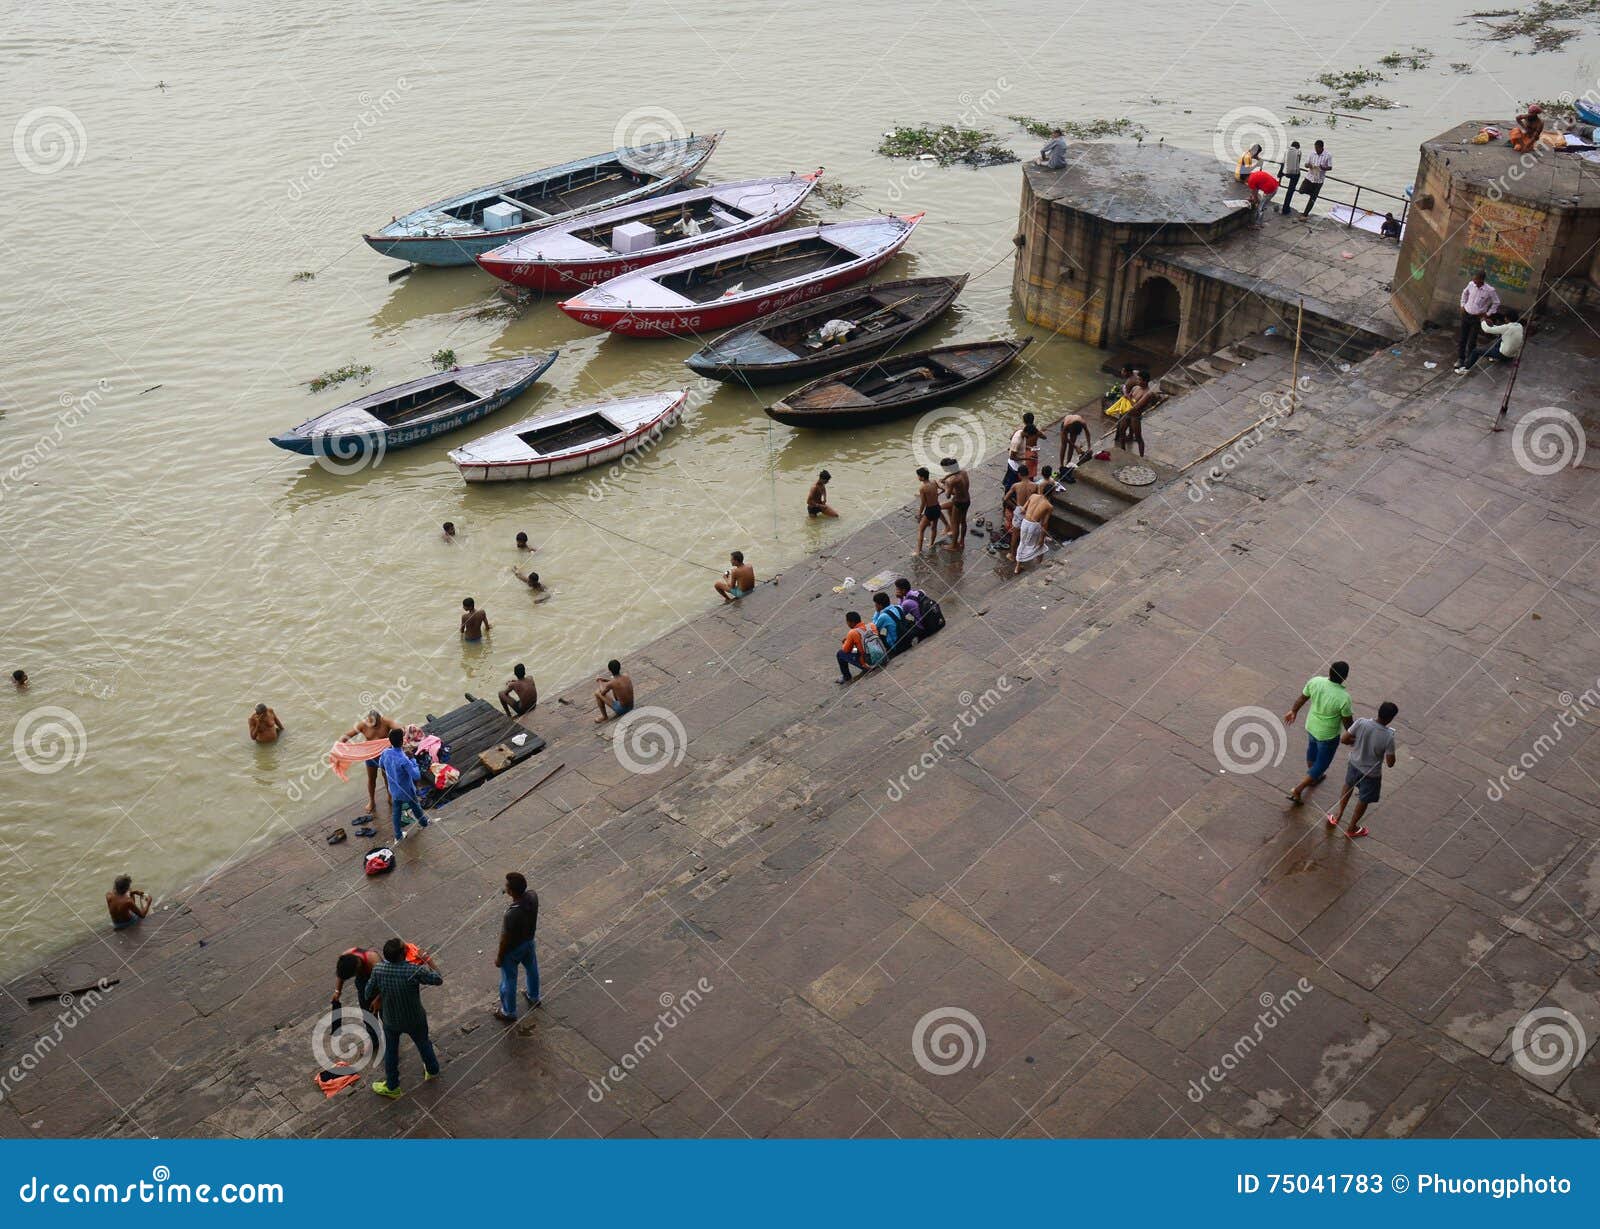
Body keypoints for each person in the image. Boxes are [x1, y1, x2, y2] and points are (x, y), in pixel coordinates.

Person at [367, 937, 443, 1099]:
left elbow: (368, 992)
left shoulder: (378, 970)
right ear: (403, 955)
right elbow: (438, 979)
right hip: (414, 1018)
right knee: (424, 1044)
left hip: (391, 1019)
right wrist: (427, 959)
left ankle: (392, 1086)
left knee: (391, 1052)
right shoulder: (414, 970)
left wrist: (381, 995)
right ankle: (432, 1070)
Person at [1284, 661, 1354, 805]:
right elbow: (1348, 722)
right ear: (1345, 677)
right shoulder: (1344, 698)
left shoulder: (1315, 681)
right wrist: (1352, 735)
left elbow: (1302, 698)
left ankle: (1313, 776)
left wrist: (1294, 711)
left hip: (1311, 726)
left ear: (1329, 672)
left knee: (1312, 749)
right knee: (1322, 764)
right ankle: (1299, 788)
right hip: (1328, 735)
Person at [1326, 701, 1398, 839]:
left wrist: (1358, 742)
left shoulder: (1361, 722)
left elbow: (1344, 739)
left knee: (1347, 787)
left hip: (1354, 763)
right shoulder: (1389, 737)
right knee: (1364, 799)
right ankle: (1352, 827)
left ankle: (1338, 815)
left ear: (1379, 711)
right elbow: (1390, 763)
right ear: (1390, 719)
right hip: (1371, 774)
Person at [493, 872, 541, 1022]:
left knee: (509, 980)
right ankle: (534, 996)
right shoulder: (533, 896)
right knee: (532, 969)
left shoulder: (511, 915)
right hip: (529, 941)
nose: (505, 888)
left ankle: (509, 1012)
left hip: (513, 950)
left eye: (507, 886)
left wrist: (500, 957)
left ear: (512, 891)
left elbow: (505, 939)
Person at [342, 709, 399, 817]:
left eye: (377, 724)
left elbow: (400, 730)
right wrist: (339, 746)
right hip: (371, 756)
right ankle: (372, 801)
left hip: (385, 755)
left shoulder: (386, 722)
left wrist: (407, 733)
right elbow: (347, 735)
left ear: (380, 719)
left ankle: (390, 796)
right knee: (371, 779)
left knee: (387, 777)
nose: (375, 727)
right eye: (372, 724)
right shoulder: (363, 725)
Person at [378, 727, 430, 842]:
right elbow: (416, 776)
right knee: (416, 806)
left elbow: (381, 764)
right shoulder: (404, 759)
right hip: (407, 791)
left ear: (390, 741)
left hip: (394, 790)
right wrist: (413, 760)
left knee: (396, 812)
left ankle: (398, 836)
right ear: (402, 742)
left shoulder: (385, 753)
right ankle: (424, 823)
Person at [1456, 271, 1501, 370]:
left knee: (1472, 340)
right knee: (1462, 338)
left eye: (1476, 279)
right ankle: (1460, 358)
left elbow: (1496, 302)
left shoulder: (1490, 290)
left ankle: (1469, 360)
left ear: (1482, 280)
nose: (1474, 281)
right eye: (1474, 279)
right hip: (1466, 314)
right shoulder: (1471, 284)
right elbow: (1465, 293)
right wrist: (1462, 305)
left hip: (1477, 318)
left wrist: (1488, 314)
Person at [1457, 312, 1523, 374]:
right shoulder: (1519, 326)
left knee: (1476, 351)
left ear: (1507, 319)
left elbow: (1487, 330)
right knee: (1500, 337)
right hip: (1512, 355)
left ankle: (1466, 368)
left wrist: (1482, 321)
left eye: (1505, 318)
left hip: (1503, 355)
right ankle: (1493, 357)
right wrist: (1492, 325)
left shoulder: (1507, 327)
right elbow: (1500, 329)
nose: (1504, 319)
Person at [1013, 485, 1055, 574]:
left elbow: (1023, 509)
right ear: (1052, 493)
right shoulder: (1049, 506)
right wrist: (1042, 537)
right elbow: (1045, 523)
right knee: (1039, 544)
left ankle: (1017, 567)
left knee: (1023, 543)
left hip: (1025, 523)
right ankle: (1039, 563)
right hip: (1034, 526)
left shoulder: (1033, 496)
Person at [836, 610, 884, 684]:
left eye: (847, 622)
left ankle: (846, 676)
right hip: (880, 654)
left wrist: (846, 642)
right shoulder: (871, 625)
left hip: (868, 660)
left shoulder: (852, 632)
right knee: (857, 649)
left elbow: (846, 650)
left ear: (851, 622)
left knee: (840, 653)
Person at [939, 458, 971, 550]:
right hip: (967, 500)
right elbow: (955, 475)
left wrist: (943, 486)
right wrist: (945, 478)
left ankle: (953, 546)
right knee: (963, 521)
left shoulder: (952, 480)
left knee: (955, 524)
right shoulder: (963, 472)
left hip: (958, 502)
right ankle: (962, 541)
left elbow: (948, 495)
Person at [915, 467, 946, 551]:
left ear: (922, 477)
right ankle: (931, 544)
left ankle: (918, 551)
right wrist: (937, 494)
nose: (918, 477)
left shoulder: (922, 488)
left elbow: (923, 503)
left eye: (918, 476)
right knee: (934, 527)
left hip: (930, 510)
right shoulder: (934, 482)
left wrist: (919, 513)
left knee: (921, 530)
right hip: (937, 507)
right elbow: (943, 489)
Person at [1003, 414, 1037, 491]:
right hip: (1014, 466)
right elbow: (1012, 457)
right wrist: (1028, 458)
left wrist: (1031, 449)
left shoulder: (1021, 432)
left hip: (1019, 463)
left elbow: (1021, 445)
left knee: (1013, 482)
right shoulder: (1017, 440)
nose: (1030, 438)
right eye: (1030, 436)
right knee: (1011, 485)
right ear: (1027, 433)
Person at [1300, 140, 1332, 216]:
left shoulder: (1328, 155)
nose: (1316, 150)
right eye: (1315, 148)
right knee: (1301, 190)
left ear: (1322, 148)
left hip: (1319, 180)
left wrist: (1323, 168)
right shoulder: (1312, 154)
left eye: (1317, 148)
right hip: (1309, 177)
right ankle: (1312, 193)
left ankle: (1305, 214)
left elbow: (1330, 167)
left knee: (1312, 199)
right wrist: (1309, 165)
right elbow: (1306, 164)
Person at [1279, 141, 1302, 215]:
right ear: (1297, 147)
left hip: (1286, 172)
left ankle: (1285, 208)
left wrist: (1280, 172)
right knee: (1290, 190)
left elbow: (1283, 163)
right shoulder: (1299, 151)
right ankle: (1285, 208)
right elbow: (1298, 163)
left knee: (1288, 189)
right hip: (1295, 174)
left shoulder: (1286, 150)